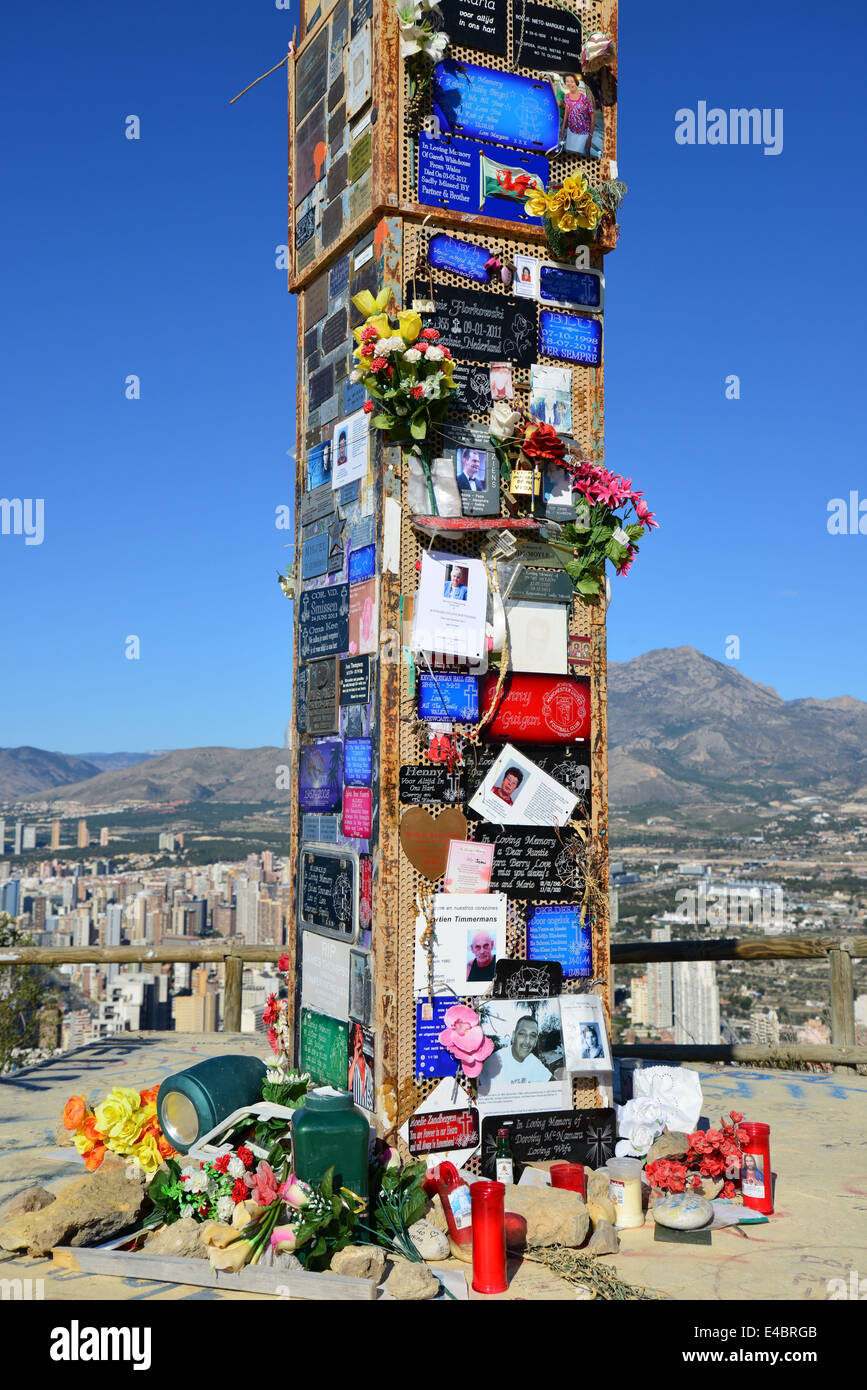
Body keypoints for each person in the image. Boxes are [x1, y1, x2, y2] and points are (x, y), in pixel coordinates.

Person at [483, 1015, 553, 1086]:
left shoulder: (532, 1060)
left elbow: (552, 1082)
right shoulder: (495, 1063)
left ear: (535, 1041)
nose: (527, 1041)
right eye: (522, 1034)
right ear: (513, 1036)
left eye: (532, 1035)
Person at [560, 73, 597, 156]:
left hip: (583, 134)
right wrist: (563, 129)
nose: (569, 83)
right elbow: (567, 112)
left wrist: (590, 138)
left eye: (572, 81)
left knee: (580, 155)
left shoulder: (585, 99)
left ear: (576, 83)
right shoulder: (566, 97)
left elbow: (592, 117)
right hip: (571, 132)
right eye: (567, 81)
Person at [348, 1024, 374, 1109]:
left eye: (361, 1033)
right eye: (356, 1033)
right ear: (353, 1040)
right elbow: (347, 1088)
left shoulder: (368, 1068)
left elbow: (371, 1097)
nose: (359, 1036)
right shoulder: (349, 1063)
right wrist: (355, 1059)